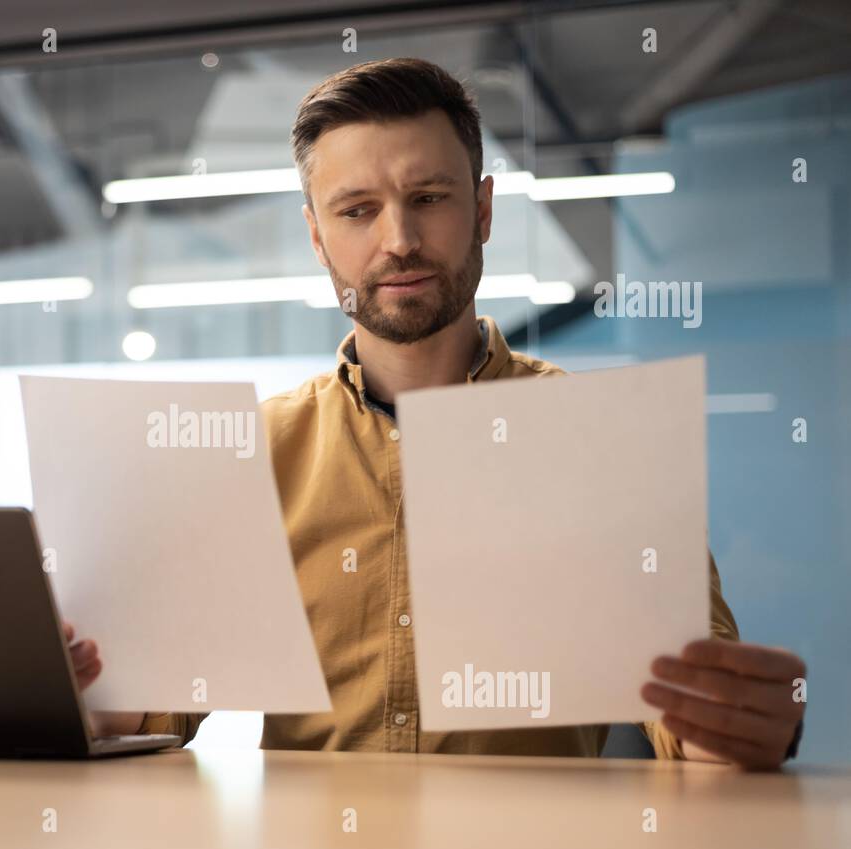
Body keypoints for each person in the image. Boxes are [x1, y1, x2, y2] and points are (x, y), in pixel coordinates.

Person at [74, 58, 805, 771]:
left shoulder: (597, 443)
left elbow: (695, 720)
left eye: (428, 197)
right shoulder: (252, 455)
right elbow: (145, 714)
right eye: (357, 210)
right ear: (317, 236)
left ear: (482, 209)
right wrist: (77, 687)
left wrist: (741, 725)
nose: (398, 240)